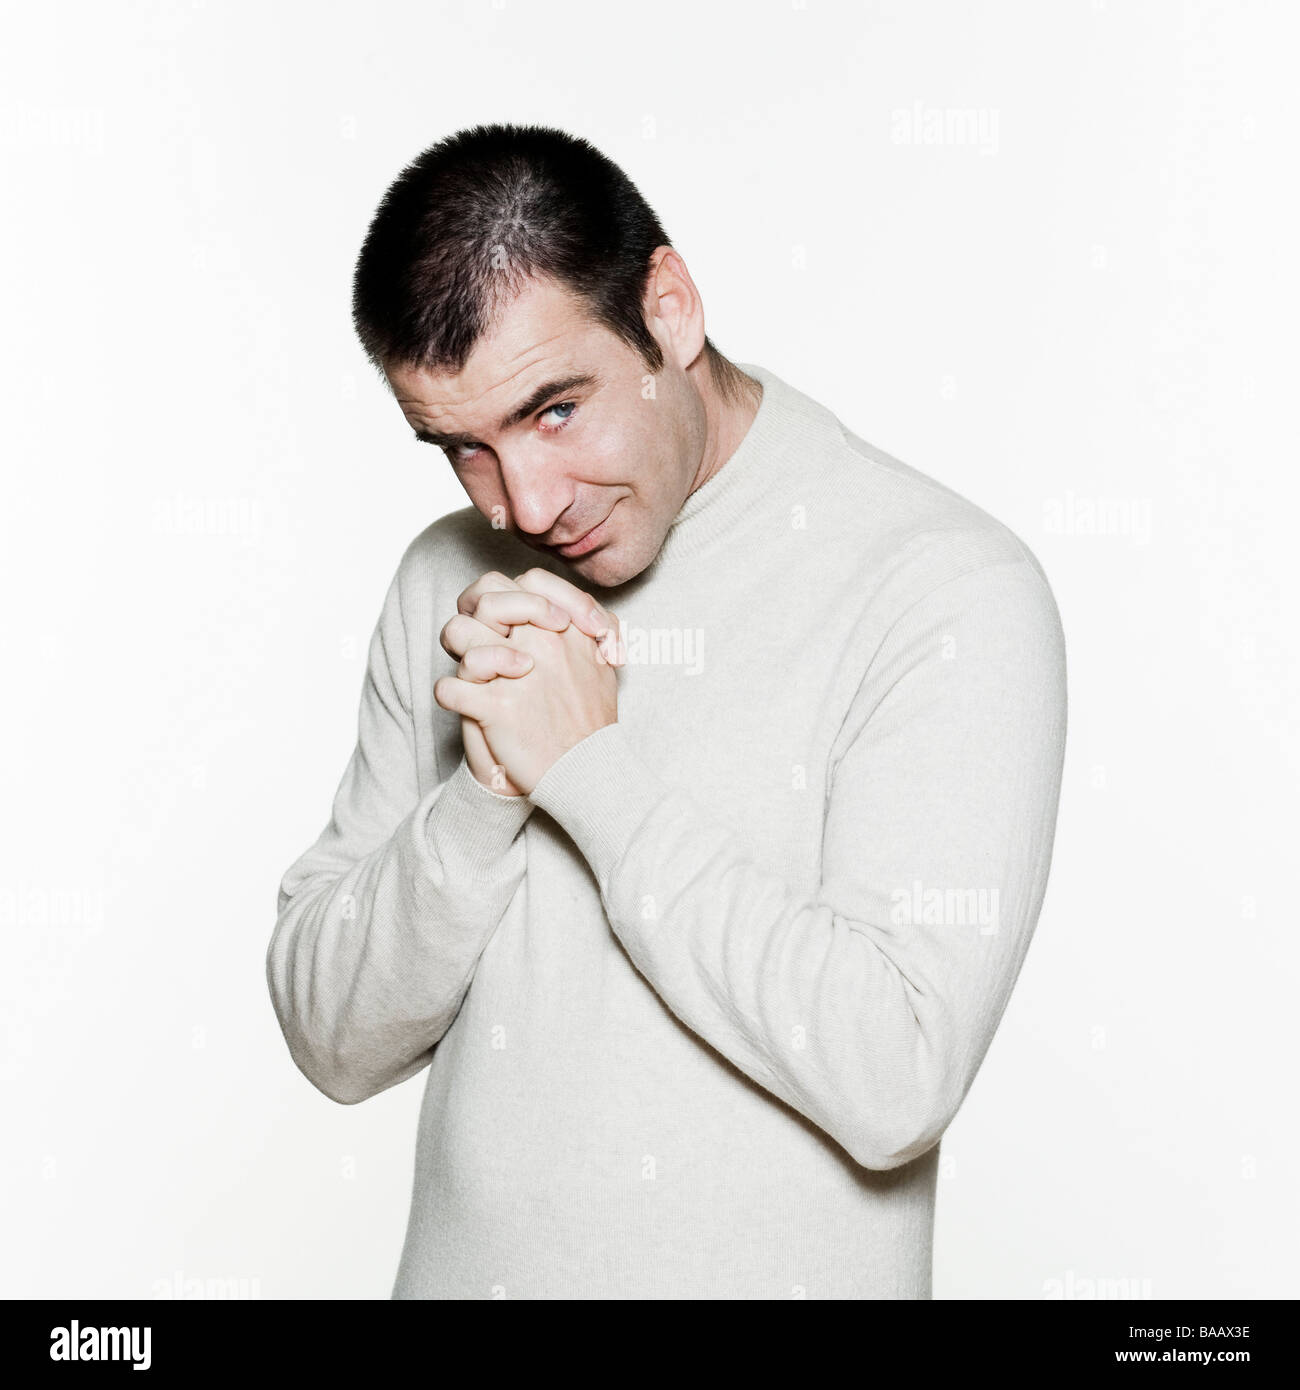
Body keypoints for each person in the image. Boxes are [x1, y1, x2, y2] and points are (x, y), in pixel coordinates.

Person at [266, 122, 1068, 1299]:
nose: (524, 504)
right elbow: (332, 1038)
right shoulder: (448, 577)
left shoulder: (939, 588)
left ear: (672, 309)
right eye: (460, 450)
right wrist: (484, 791)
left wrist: (586, 771)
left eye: (553, 410)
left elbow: (895, 1072)